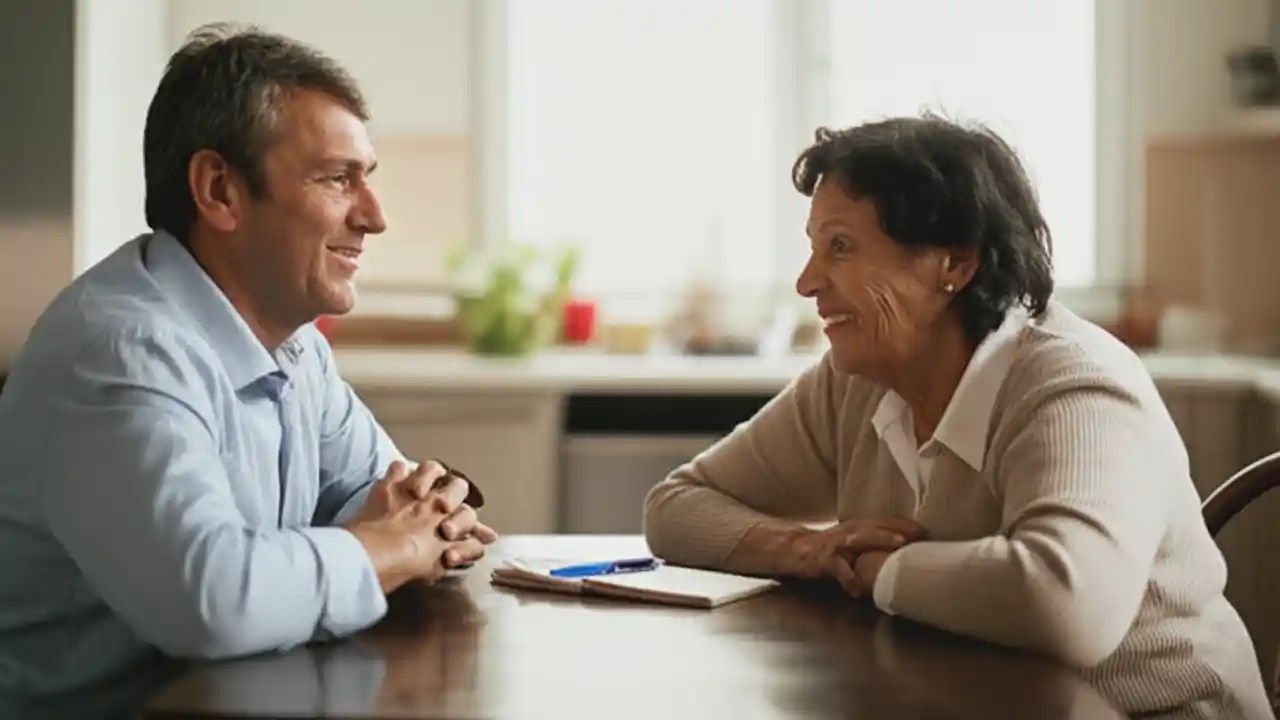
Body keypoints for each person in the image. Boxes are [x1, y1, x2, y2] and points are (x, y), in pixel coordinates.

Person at [643, 115, 1271, 718]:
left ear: (955, 263)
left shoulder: (1076, 386)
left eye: (841, 247)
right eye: (814, 248)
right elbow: (677, 506)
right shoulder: (853, 385)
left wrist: (880, 570)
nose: (807, 283)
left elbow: (1066, 603)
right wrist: (809, 549)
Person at [0, 24, 497, 697]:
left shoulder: (295, 348)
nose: (375, 217)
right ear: (220, 191)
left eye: (367, 179)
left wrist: (417, 521)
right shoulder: (120, 352)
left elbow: (389, 496)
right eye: (336, 179)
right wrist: (393, 549)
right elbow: (214, 600)